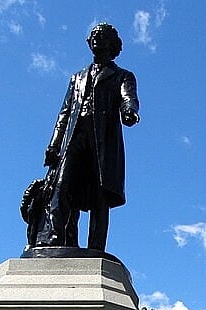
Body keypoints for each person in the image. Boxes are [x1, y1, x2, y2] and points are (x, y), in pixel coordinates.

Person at [33, 22, 139, 251]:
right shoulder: (77, 77)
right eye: (93, 35)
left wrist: (129, 111)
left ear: (111, 44)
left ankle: (96, 247)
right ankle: (54, 237)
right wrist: (54, 145)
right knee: (62, 185)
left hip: (102, 140)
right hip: (74, 136)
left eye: (100, 36)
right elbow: (65, 112)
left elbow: (127, 97)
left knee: (100, 194)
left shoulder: (122, 75)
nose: (95, 39)